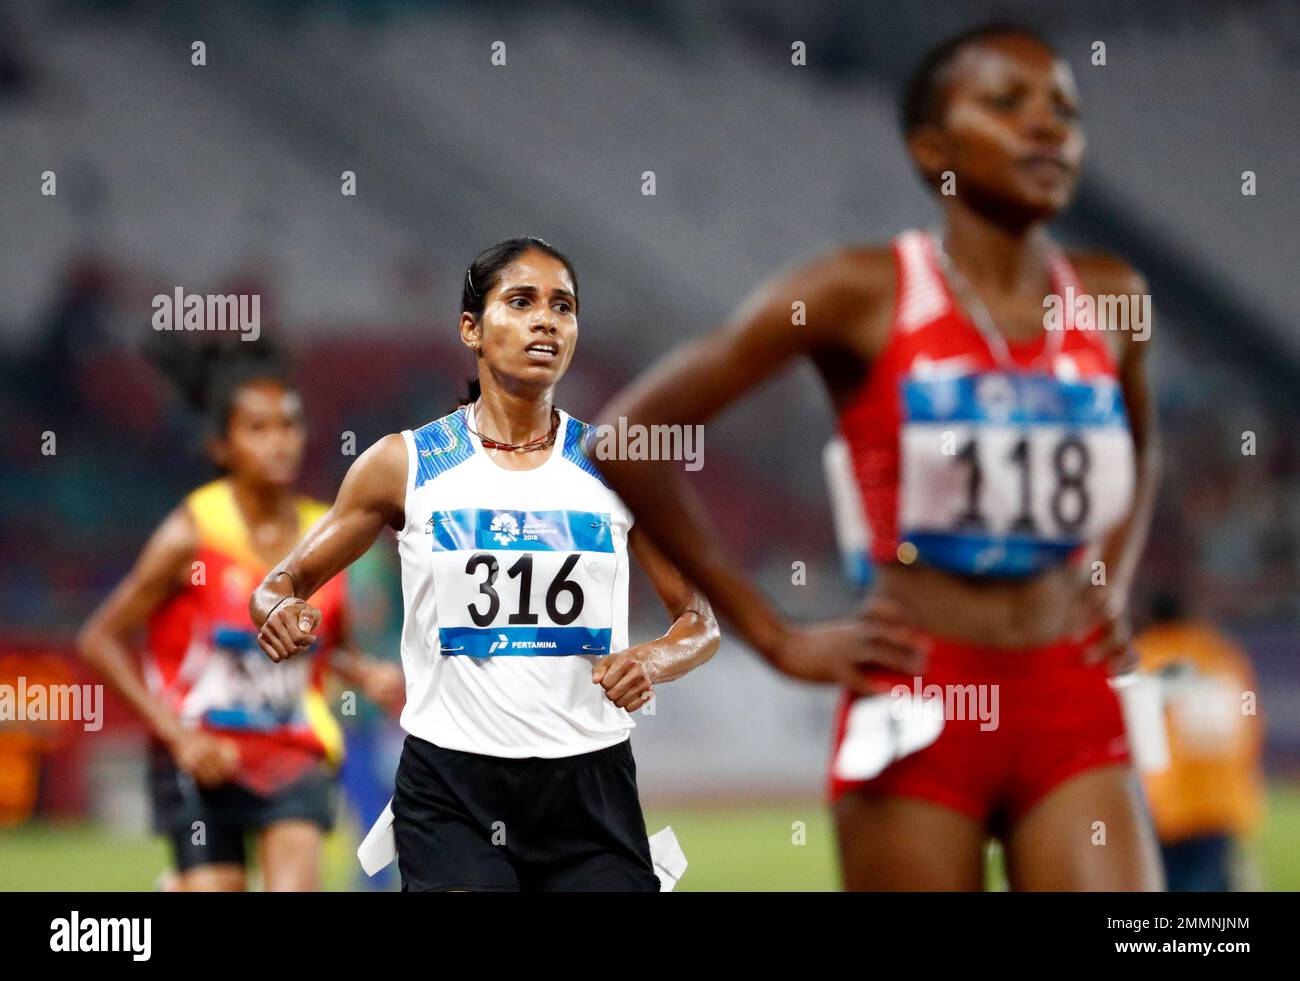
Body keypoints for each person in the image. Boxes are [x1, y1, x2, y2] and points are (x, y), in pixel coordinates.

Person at [595, 23, 1163, 890]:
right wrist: (776, 639)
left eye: (1065, 110)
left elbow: (1140, 444)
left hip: (1069, 689)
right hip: (920, 691)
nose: (1049, 128)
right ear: (930, 147)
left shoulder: (1115, 295)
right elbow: (629, 439)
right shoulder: (856, 292)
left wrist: (1108, 582)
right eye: (1008, 104)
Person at [250, 238, 720, 891]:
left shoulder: (619, 465)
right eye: (521, 301)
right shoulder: (403, 464)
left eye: (563, 306)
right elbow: (280, 583)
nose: (546, 321)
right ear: (471, 327)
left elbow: (699, 621)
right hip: (453, 790)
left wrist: (651, 659)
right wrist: (279, 610)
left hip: (588, 785)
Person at [78, 340, 404, 891]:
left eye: (288, 425)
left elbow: (325, 642)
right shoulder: (192, 533)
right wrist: (178, 739)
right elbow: (100, 639)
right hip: (206, 756)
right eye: (257, 429)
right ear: (221, 446)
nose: (279, 443)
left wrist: (361, 672)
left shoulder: (325, 533)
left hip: (292, 751)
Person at [1134, 593, 1265, 891]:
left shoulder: (1150, 655)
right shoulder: (1224, 655)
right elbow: (1252, 726)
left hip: (1173, 806)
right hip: (1225, 802)